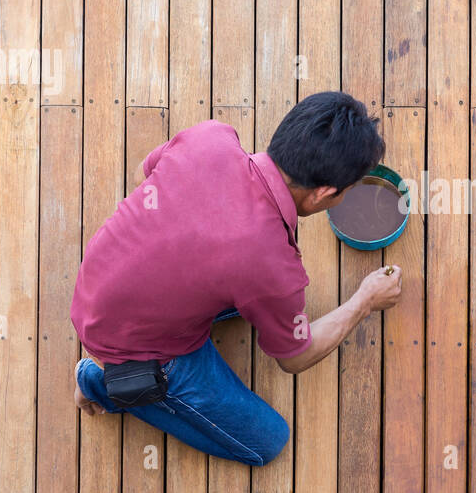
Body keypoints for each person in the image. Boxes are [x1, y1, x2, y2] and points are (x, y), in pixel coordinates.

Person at [70, 91, 402, 466]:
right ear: (323, 193)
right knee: (267, 442)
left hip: (98, 285)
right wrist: (365, 301)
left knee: (238, 281)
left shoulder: (210, 138)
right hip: (134, 348)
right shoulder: (273, 268)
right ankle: (100, 380)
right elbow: (295, 357)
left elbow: (144, 173)